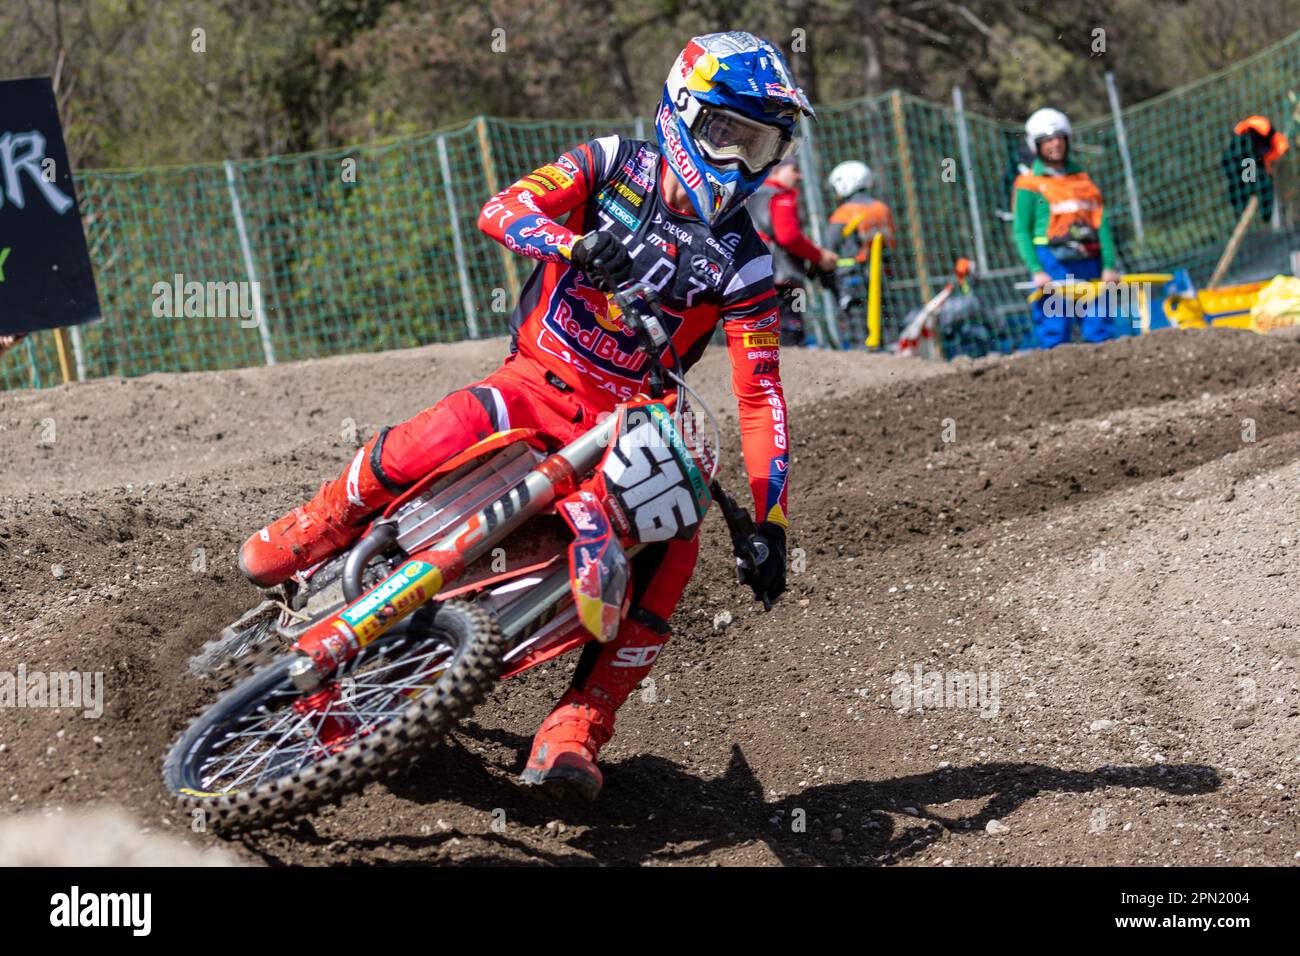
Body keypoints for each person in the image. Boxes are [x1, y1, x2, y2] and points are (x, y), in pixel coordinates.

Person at [238, 31, 804, 802]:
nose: (738, 160)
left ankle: (579, 725)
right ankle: (321, 523)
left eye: (758, 144)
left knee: (677, 541)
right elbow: (502, 209)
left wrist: (770, 521)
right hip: (537, 379)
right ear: (683, 111)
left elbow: (759, 392)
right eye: (726, 133)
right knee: (452, 424)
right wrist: (574, 246)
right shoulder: (613, 163)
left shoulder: (745, 259)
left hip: (630, 425)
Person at [1013, 107, 1120, 349]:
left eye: (1059, 137)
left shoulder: (1083, 180)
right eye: (1047, 140)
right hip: (1051, 261)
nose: (1055, 144)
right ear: (1036, 145)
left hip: (1089, 258)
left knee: (1098, 324)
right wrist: (1036, 270)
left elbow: (1100, 223)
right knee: (1055, 326)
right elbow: (1021, 230)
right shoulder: (1028, 183)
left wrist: (1109, 265)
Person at [750, 158, 837, 345]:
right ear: (776, 171)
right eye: (795, 170)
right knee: (791, 332)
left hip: (748, 276)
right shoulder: (780, 197)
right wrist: (819, 256)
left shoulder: (749, 195)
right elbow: (789, 237)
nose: (800, 176)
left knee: (758, 333)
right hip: (780, 278)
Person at [825, 160, 895, 340]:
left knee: (858, 327)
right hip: (881, 275)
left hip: (853, 278)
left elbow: (829, 246)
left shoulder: (845, 212)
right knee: (885, 322)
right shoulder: (882, 208)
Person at [1221, 115, 1289, 220]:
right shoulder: (1261, 130)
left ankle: (1254, 210)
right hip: (1244, 156)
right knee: (1251, 181)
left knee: (1256, 182)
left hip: (1246, 159)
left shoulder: (1268, 148)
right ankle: (1247, 209)